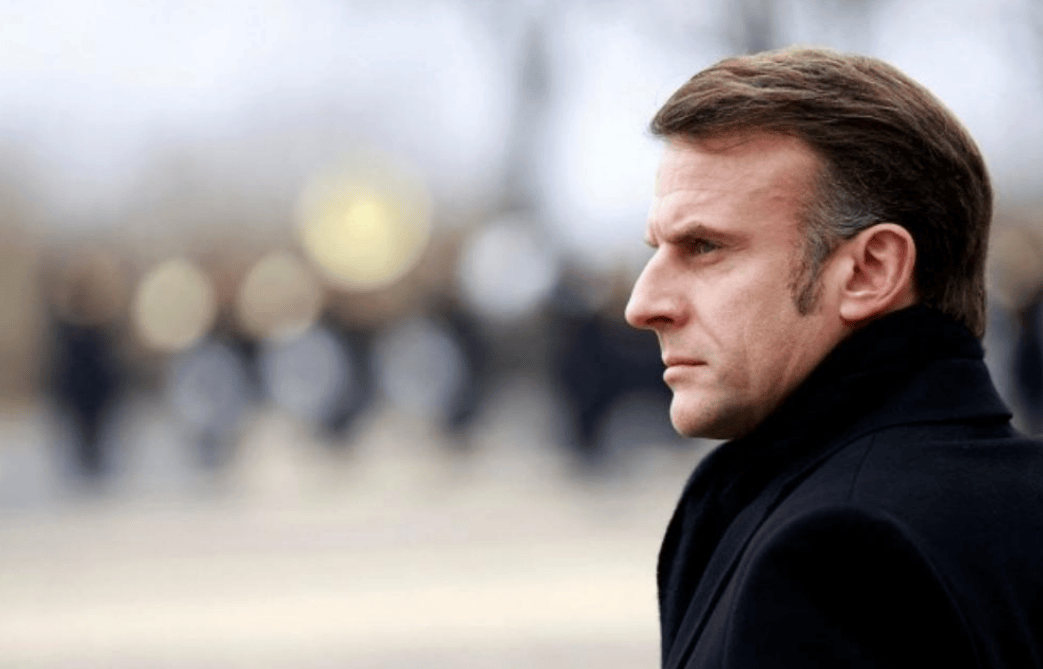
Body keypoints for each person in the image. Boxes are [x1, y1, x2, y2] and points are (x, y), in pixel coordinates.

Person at [624, 47, 1043, 668]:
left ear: (869, 271)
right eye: (656, 249)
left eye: (705, 246)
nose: (643, 305)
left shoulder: (833, 555)